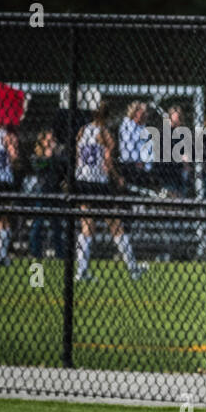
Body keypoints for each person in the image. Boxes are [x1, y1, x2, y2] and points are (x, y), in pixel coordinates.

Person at [73, 101, 144, 282]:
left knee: (87, 225)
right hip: (98, 183)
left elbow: (77, 156)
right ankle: (133, 267)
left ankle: (81, 271)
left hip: (82, 180)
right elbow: (107, 162)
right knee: (115, 224)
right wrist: (117, 177)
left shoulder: (82, 131)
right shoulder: (104, 134)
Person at [27, 130, 65, 259]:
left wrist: (54, 157)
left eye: (52, 140)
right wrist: (48, 157)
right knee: (38, 223)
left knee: (57, 225)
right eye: (48, 141)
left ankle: (60, 253)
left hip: (55, 191)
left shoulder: (58, 156)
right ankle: (35, 252)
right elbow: (39, 167)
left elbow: (62, 170)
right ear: (42, 142)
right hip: (42, 192)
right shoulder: (36, 157)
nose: (51, 143)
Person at [0, 123, 19, 266]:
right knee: (3, 217)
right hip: (2, 179)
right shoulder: (7, 134)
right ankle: (0, 254)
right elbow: (13, 157)